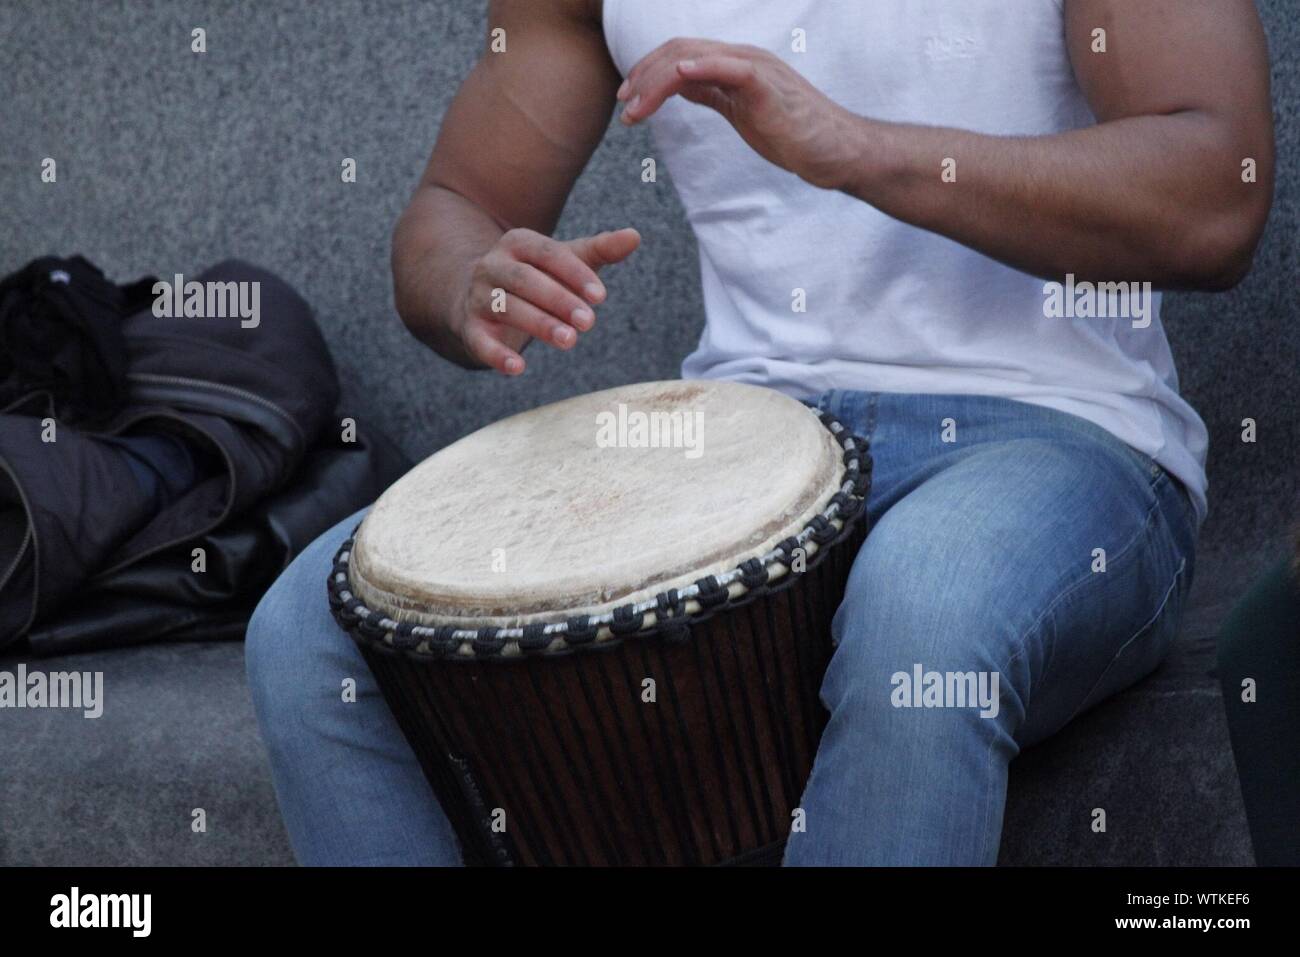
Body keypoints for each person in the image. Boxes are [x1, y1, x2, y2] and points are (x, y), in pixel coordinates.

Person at [246, 0, 1274, 865]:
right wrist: (470, 278)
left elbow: (1216, 189)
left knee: (924, 604)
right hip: (744, 436)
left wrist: (863, 151)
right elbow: (457, 204)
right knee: (310, 629)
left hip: (1061, 434)